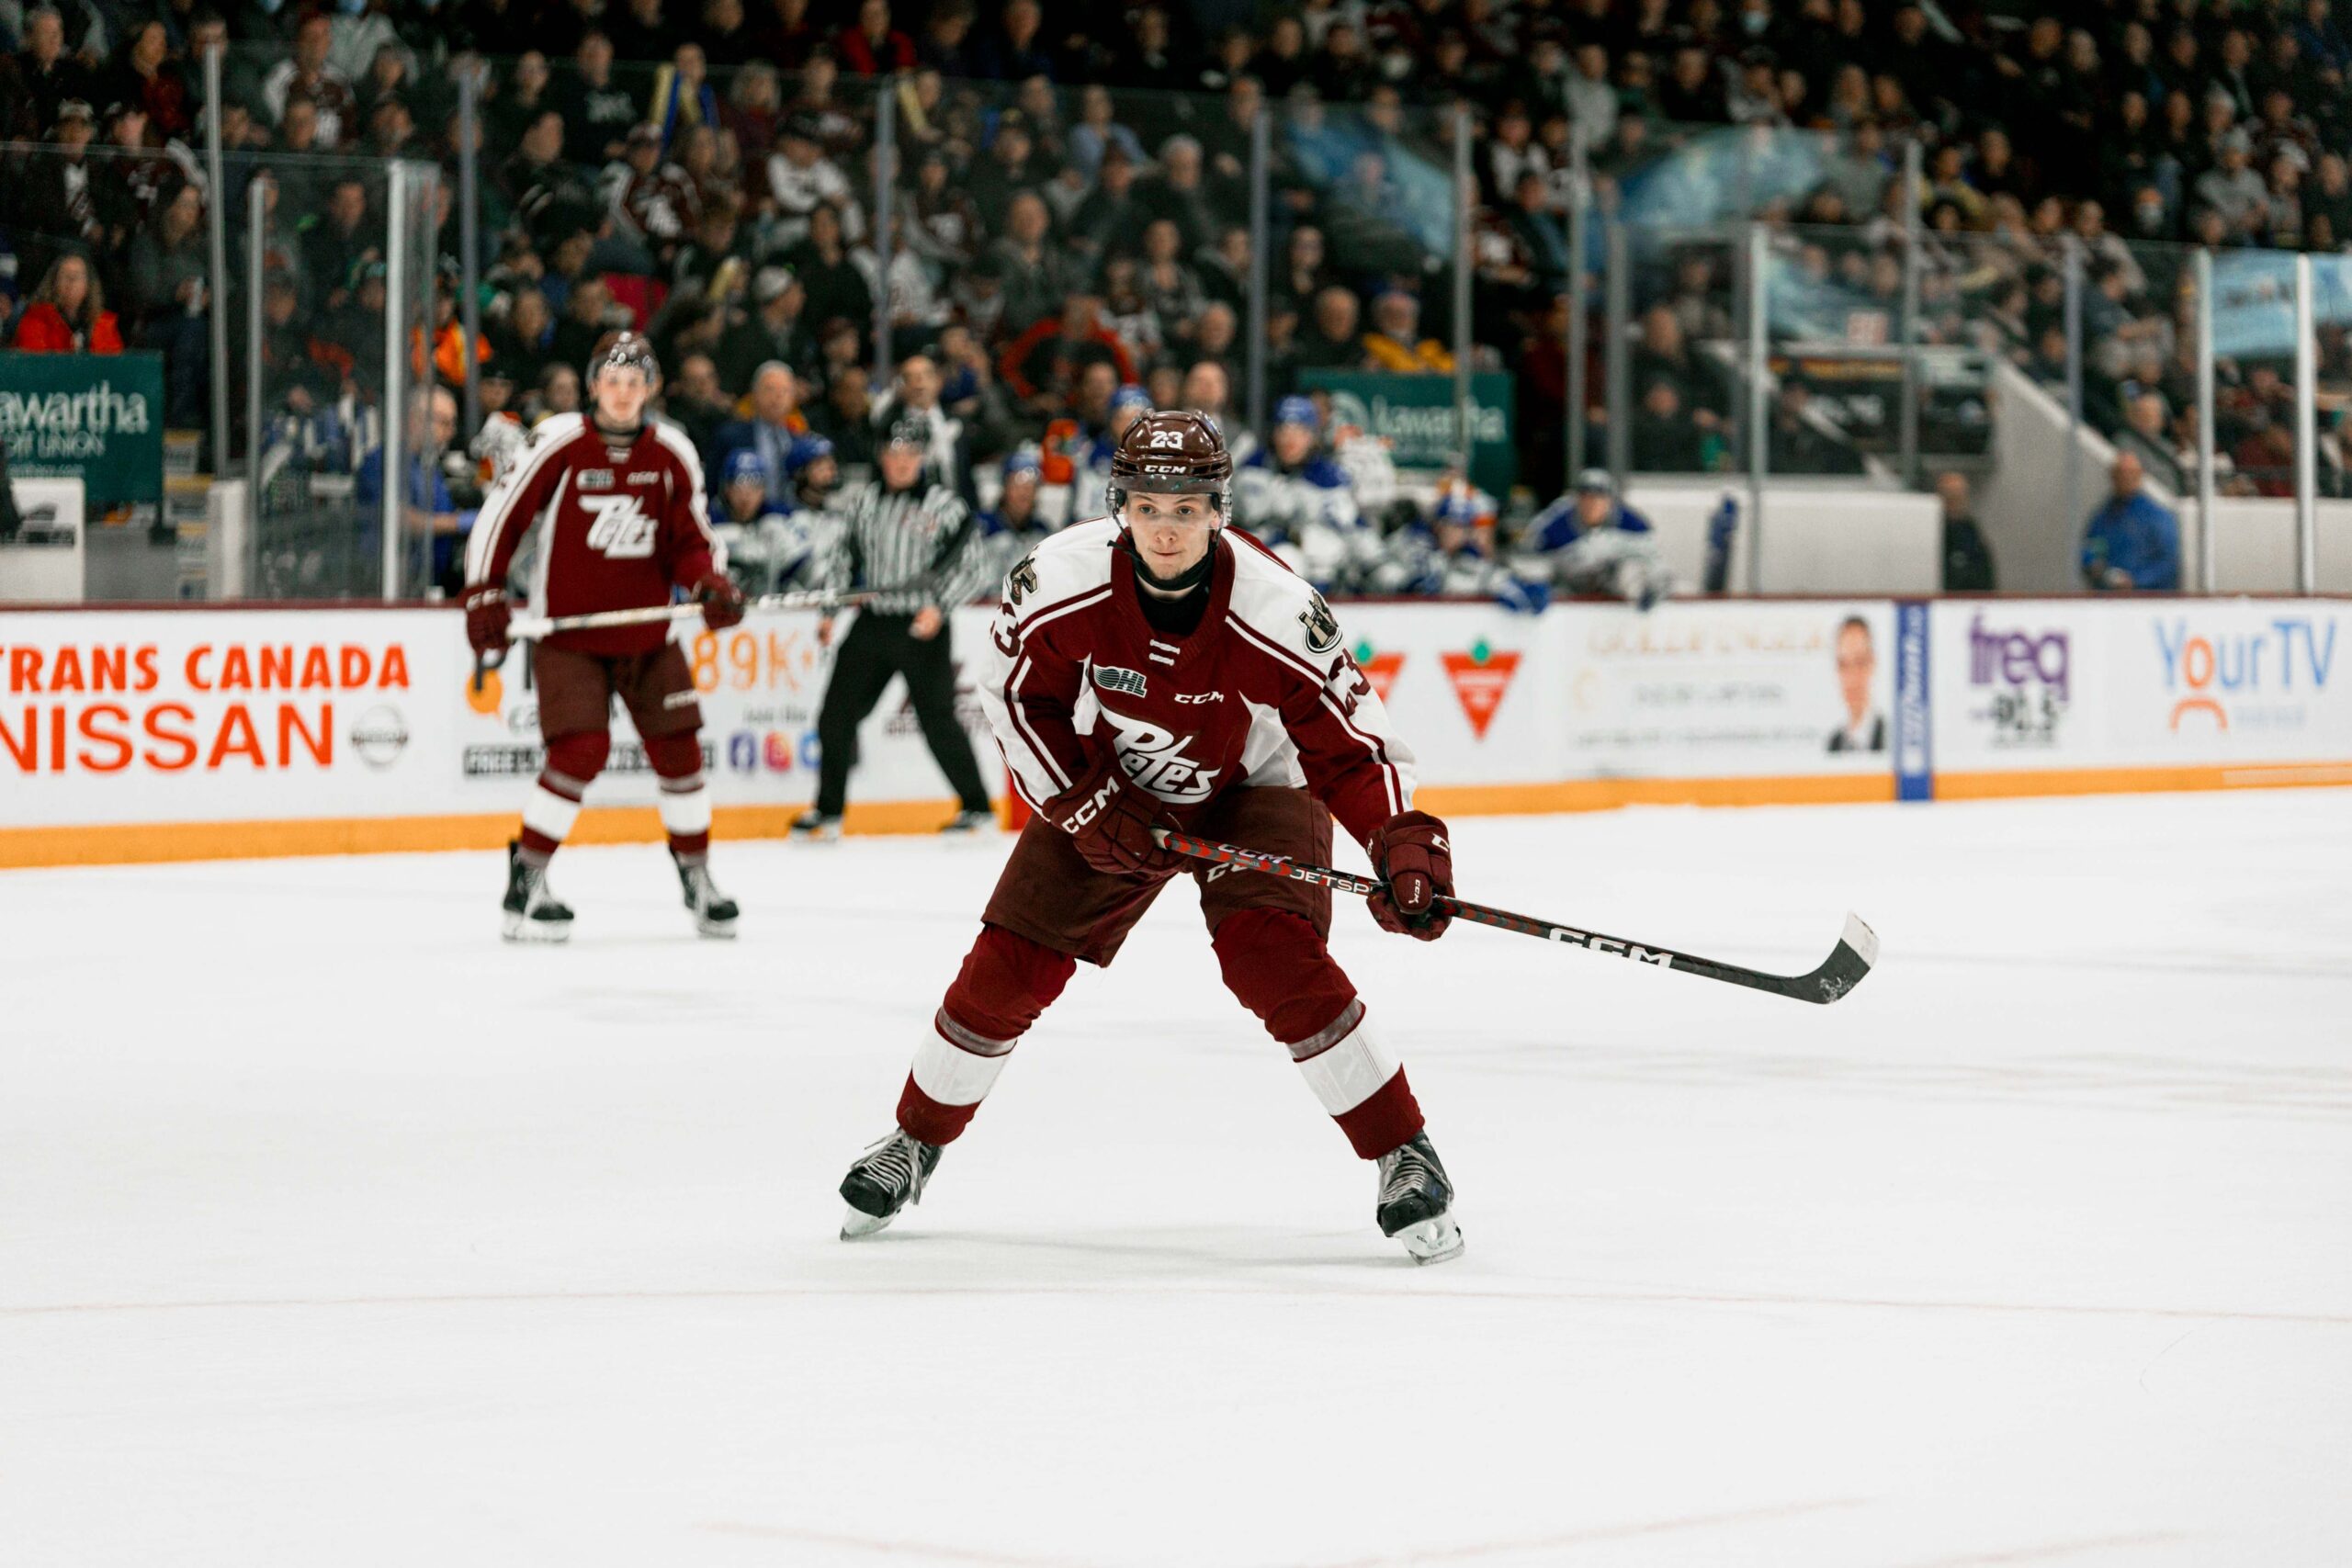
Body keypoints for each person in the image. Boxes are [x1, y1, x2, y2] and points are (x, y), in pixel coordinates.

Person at [831, 410, 1464, 1265]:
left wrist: (1399, 843)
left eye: (1188, 509)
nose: (1166, 528)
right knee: (1012, 958)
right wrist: (1087, 807)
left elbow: (1348, 747)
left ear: (1219, 512)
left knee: (1270, 955)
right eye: (1148, 506)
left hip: (1254, 782)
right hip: (1111, 780)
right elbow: (1017, 699)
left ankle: (1404, 1151)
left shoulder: (1276, 609)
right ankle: (913, 1141)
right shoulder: (1061, 579)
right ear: (1119, 505)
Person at [460, 333, 749, 942]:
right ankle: (527, 881)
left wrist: (709, 585)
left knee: (681, 752)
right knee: (580, 751)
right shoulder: (559, 440)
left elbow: (690, 541)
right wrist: (484, 590)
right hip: (569, 634)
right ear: (594, 385)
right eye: (611, 381)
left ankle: (698, 878)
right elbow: (502, 513)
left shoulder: (671, 450)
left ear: (650, 389)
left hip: (647, 632)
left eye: (634, 382)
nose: (622, 394)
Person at [792, 416, 998, 840]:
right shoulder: (865, 503)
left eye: (909, 455)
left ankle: (978, 807)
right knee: (835, 716)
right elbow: (843, 560)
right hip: (874, 621)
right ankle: (828, 812)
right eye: (893, 453)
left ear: (921, 458)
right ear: (882, 456)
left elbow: (975, 568)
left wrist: (939, 607)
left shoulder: (944, 506)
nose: (901, 462)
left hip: (922, 627)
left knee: (938, 719)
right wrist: (830, 611)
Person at [1511, 469, 1670, 611]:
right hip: (1568, 583)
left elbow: (1653, 558)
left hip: (1614, 587)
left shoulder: (1632, 523)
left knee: (1631, 571)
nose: (1592, 504)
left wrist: (1651, 585)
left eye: (1599, 498)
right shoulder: (1554, 522)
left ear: (1610, 500)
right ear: (1576, 499)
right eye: (1586, 497)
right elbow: (1526, 559)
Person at [2080, 450, 2179, 590]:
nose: (2125, 479)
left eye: (2131, 474)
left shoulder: (2156, 516)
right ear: (2113, 477)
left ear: (2139, 476)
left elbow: (2168, 563)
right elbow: (2092, 547)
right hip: (2109, 599)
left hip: (2147, 601)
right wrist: (2094, 565)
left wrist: (2136, 580)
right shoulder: (2103, 517)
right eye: (2120, 474)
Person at [13, 254, 122, 353]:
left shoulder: (104, 324)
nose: (71, 280)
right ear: (54, 283)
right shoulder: (36, 318)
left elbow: (113, 366)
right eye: (65, 275)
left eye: (77, 275)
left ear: (88, 285)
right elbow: (33, 364)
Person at [1828, 615, 1886, 753]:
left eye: (1860, 663)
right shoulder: (1834, 743)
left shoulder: (1890, 735)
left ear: (1872, 664)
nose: (1852, 678)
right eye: (1844, 665)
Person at [1935, 470, 1996, 591]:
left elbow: (1984, 573)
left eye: (1959, 495)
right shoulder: (1934, 533)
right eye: (1950, 495)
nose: (1956, 501)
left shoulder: (1971, 531)